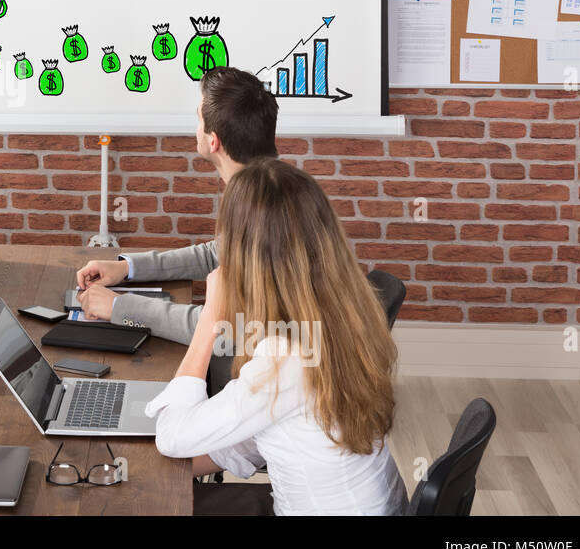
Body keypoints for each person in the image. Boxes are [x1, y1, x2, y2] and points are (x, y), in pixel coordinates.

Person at [145, 158, 408, 516]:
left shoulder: (286, 356)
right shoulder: (345, 312)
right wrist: (156, 471)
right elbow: (266, 426)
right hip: (372, 505)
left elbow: (171, 437)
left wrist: (210, 319)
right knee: (158, 495)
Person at [74, 66, 278, 340]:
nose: (196, 129)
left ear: (213, 141)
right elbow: (215, 255)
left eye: (199, 120)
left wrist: (119, 306)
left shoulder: (267, 213)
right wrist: (126, 268)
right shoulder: (261, 189)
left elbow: (224, 330)